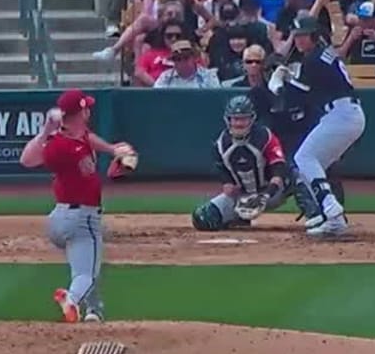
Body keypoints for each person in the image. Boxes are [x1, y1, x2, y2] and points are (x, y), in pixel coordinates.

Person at [17, 88, 135, 324]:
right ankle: (71, 299)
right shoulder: (61, 147)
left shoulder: (68, 137)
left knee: (86, 263)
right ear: (82, 112)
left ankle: (94, 310)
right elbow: (27, 160)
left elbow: (88, 139)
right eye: (86, 108)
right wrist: (124, 163)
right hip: (83, 218)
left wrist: (113, 150)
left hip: (58, 219)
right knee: (86, 273)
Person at [279, 15, 364, 237]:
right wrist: (288, 77)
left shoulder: (313, 59)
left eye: (303, 36)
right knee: (311, 168)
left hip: (342, 114)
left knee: (303, 159)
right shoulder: (322, 55)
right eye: (296, 36)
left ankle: (332, 212)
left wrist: (279, 84)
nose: (298, 40)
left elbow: (295, 98)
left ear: (314, 37)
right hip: (344, 114)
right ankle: (331, 215)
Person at [189, 94, 289, 232]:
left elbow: (279, 169)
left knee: (298, 173)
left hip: (272, 193)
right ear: (228, 120)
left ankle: (316, 215)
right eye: (235, 119)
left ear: (252, 119)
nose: (239, 123)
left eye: (243, 119)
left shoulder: (265, 137)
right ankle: (239, 219)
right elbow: (221, 170)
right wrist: (227, 183)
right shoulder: (221, 143)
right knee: (203, 218)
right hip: (243, 197)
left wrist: (265, 195)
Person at [153, 38, 218, 88]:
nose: (182, 62)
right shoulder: (165, 77)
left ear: (194, 58)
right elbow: (157, 98)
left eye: (186, 58)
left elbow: (217, 99)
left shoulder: (209, 75)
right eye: (178, 59)